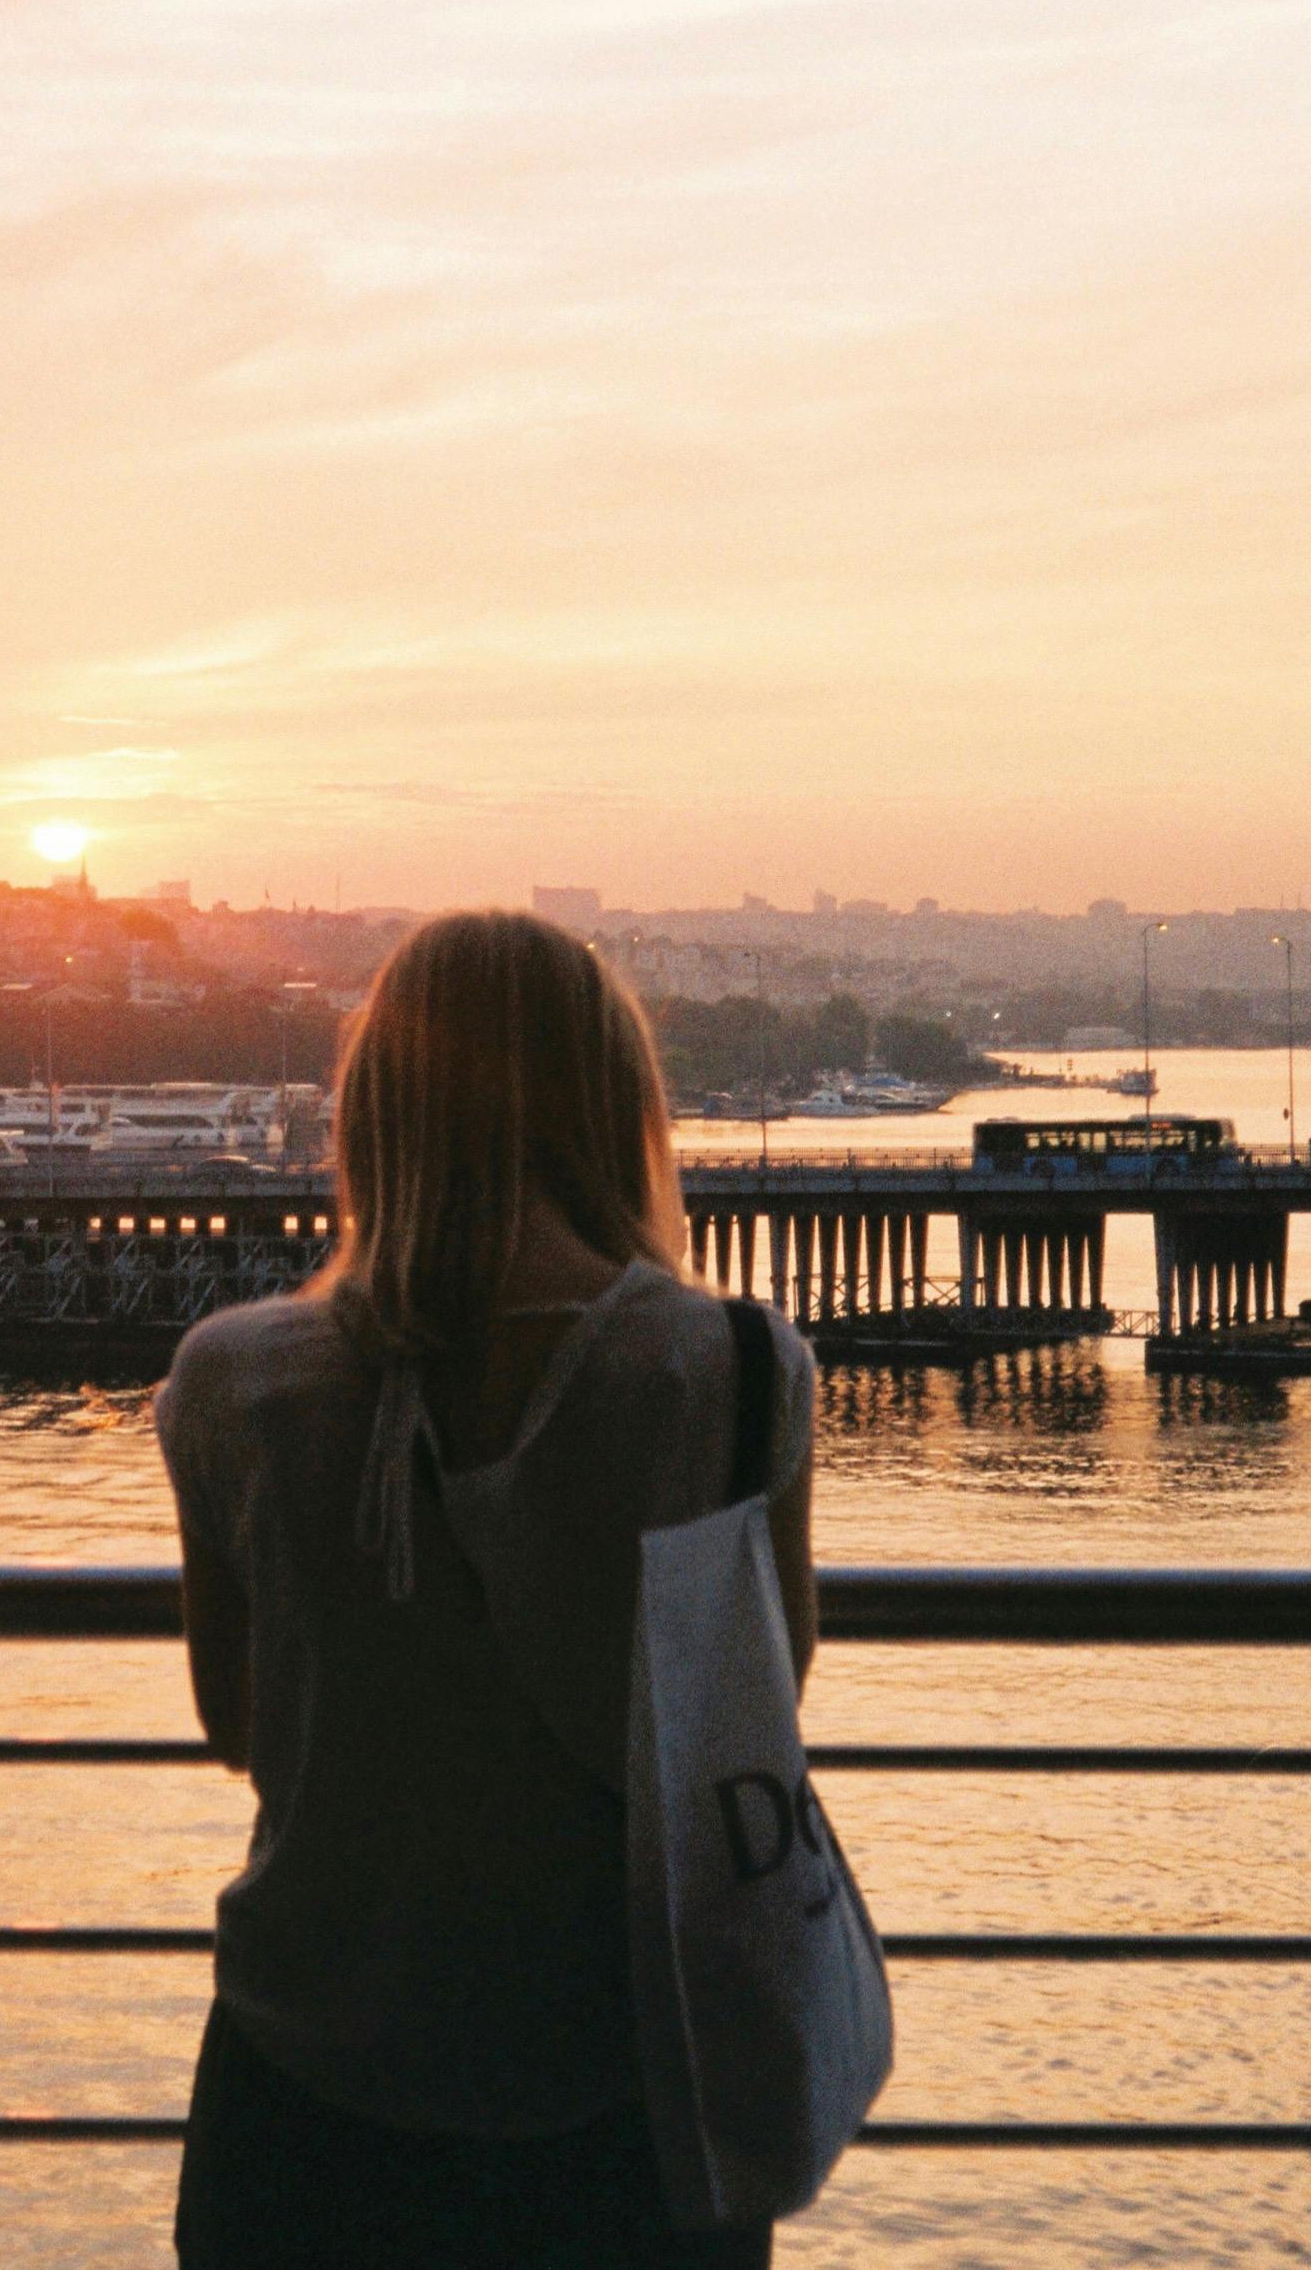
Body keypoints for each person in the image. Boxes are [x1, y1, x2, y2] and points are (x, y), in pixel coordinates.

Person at [157, 910, 818, 2270]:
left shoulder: (235, 1382)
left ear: (375, 1112)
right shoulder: (735, 1371)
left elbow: (238, 1723)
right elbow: (762, 1698)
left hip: (309, 2082)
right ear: (615, 1105)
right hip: (632, 2091)